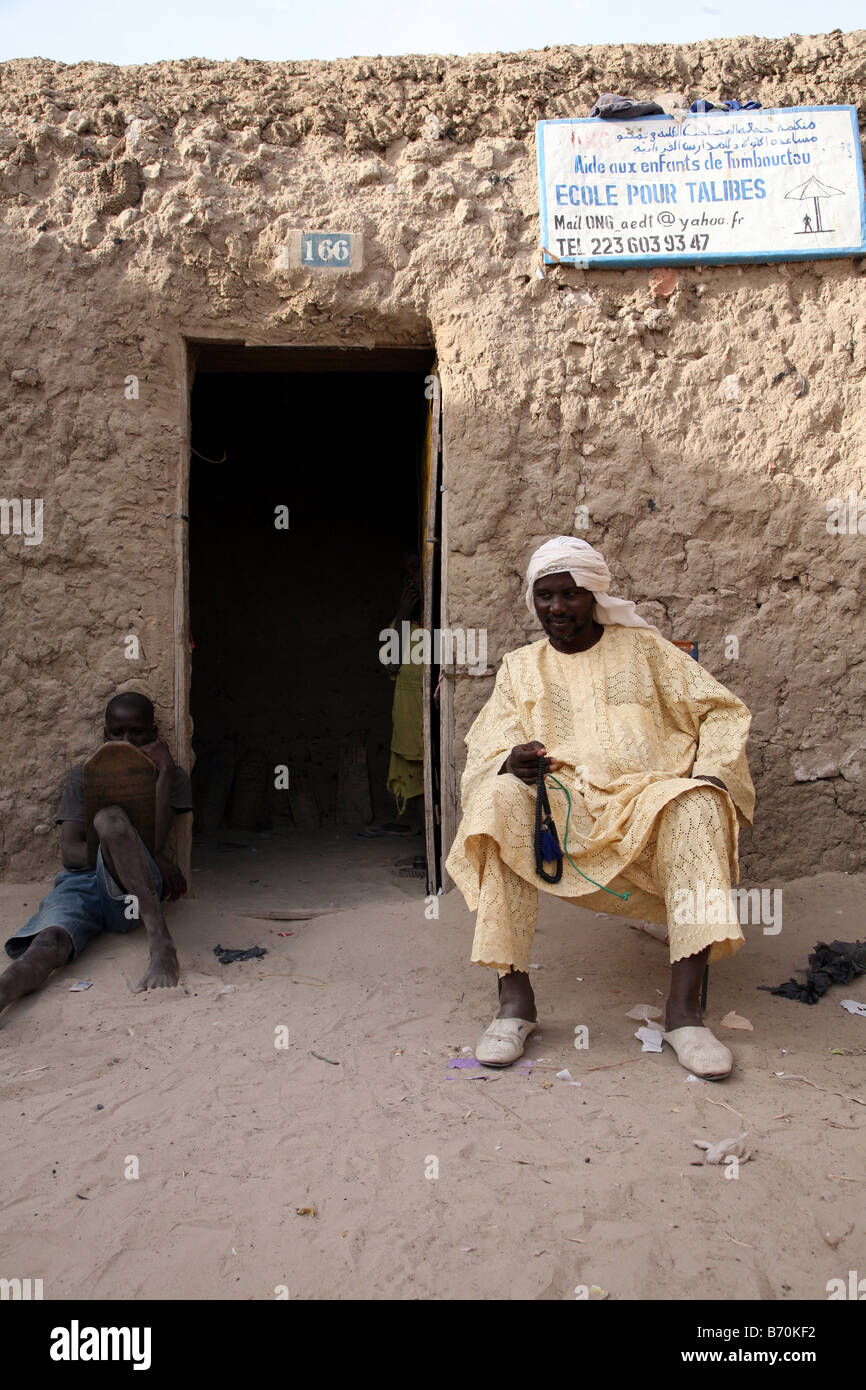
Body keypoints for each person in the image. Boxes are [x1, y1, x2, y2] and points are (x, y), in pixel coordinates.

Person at [445, 537, 755, 1080]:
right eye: (546, 596)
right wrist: (510, 761)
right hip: (562, 806)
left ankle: (684, 1016)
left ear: (594, 595)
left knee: (700, 804)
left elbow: (722, 712)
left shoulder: (647, 651)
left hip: (645, 797)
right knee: (495, 802)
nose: (558, 608)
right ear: (533, 600)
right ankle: (515, 1002)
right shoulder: (520, 667)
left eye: (571, 594)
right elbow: (490, 745)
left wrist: (711, 771)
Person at [0, 692, 192, 1020]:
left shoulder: (170, 777)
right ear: (105, 735)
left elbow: (157, 839)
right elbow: (71, 855)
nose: (127, 741)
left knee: (109, 819)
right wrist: (121, 852)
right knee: (48, 944)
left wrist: (164, 774)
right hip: (83, 884)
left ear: (154, 733)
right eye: (117, 733)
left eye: (137, 732)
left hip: (134, 892)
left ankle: (161, 943)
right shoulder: (83, 777)